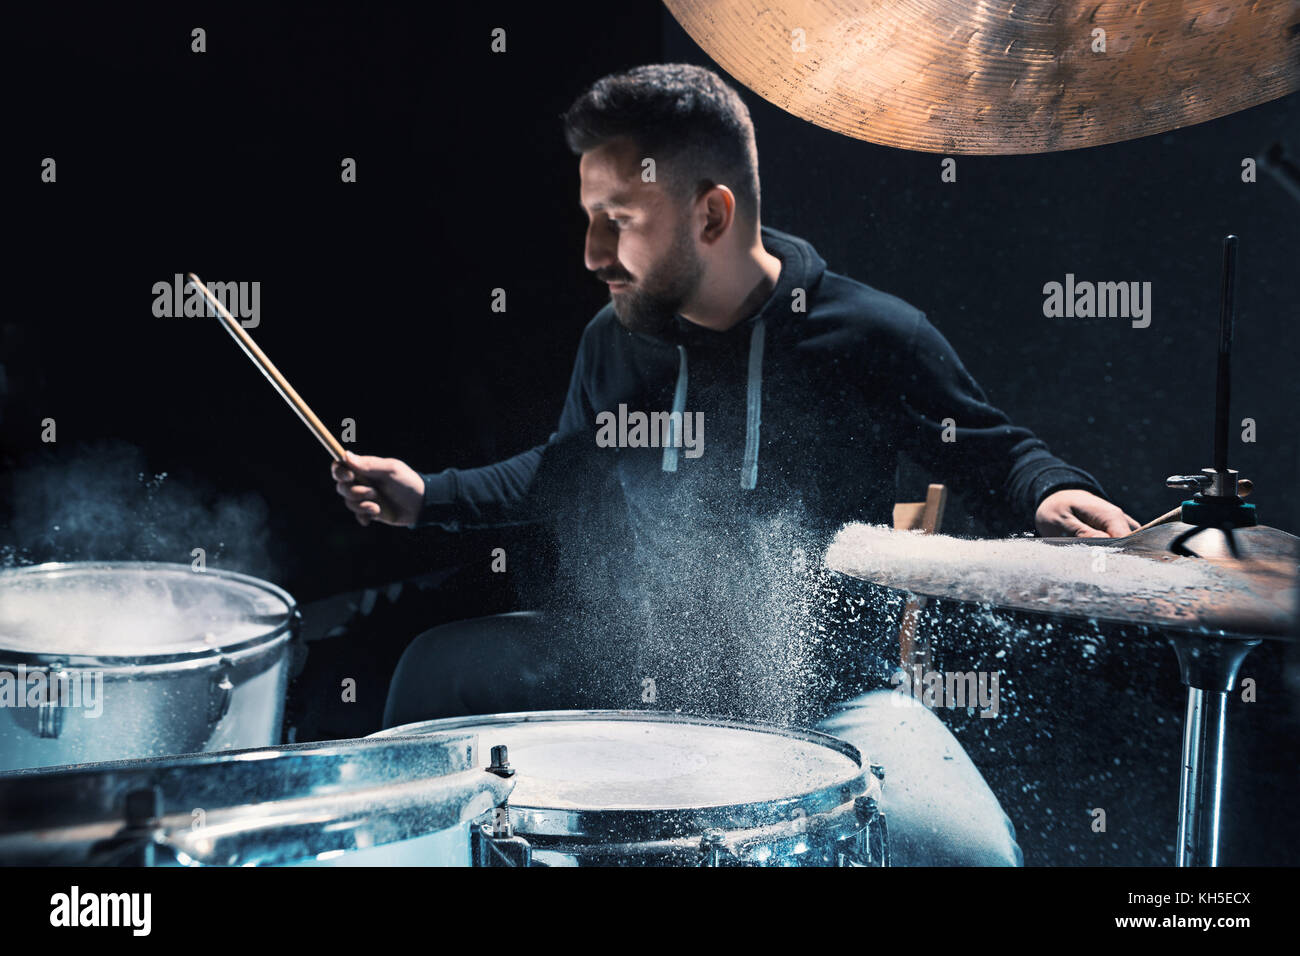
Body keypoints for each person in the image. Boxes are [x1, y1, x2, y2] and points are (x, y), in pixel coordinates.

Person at [330, 64, 1138, 865]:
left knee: (972, 858)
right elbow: (562, 475)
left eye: (619, 219)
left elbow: (996, 453)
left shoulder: (869, 334)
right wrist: (426, 496)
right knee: (435, 673)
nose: (590, 253)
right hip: (633, 668)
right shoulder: (614, 341)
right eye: (589, 217)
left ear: (712, 213)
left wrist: (1052, 490)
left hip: (829, 698)